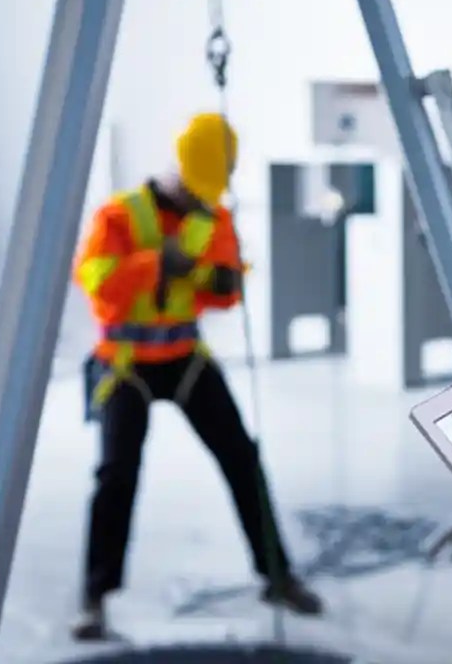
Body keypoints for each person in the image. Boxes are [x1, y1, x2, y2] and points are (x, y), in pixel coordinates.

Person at [71, 112, 322, 640]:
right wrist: (156, 264)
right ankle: (94, 597)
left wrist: (224, 282)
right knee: (116, 475)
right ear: (177, 170)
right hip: (126, 365)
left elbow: (220, 296)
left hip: (185, 357)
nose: (200, 200)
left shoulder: (213, 216)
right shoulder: (119, 216)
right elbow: (97, 285)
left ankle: (277, 575)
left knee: (242, 458)